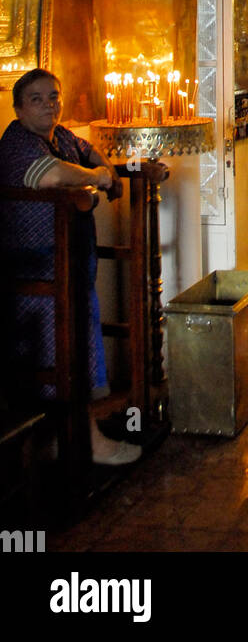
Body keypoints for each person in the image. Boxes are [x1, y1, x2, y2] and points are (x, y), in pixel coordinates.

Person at [0, 68, 166, 465]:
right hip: (37, 273)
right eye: (37, 99)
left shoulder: (57, 136)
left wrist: (106, 169)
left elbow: (86, 150)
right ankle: (83, 438)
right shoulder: (17, 143)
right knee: (66, 349)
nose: (48, 105)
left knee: (83, 334)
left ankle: (74, 435)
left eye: (54, 97)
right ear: (19, 108)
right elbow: (54, 174)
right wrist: (97, 179)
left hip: (69, 262)